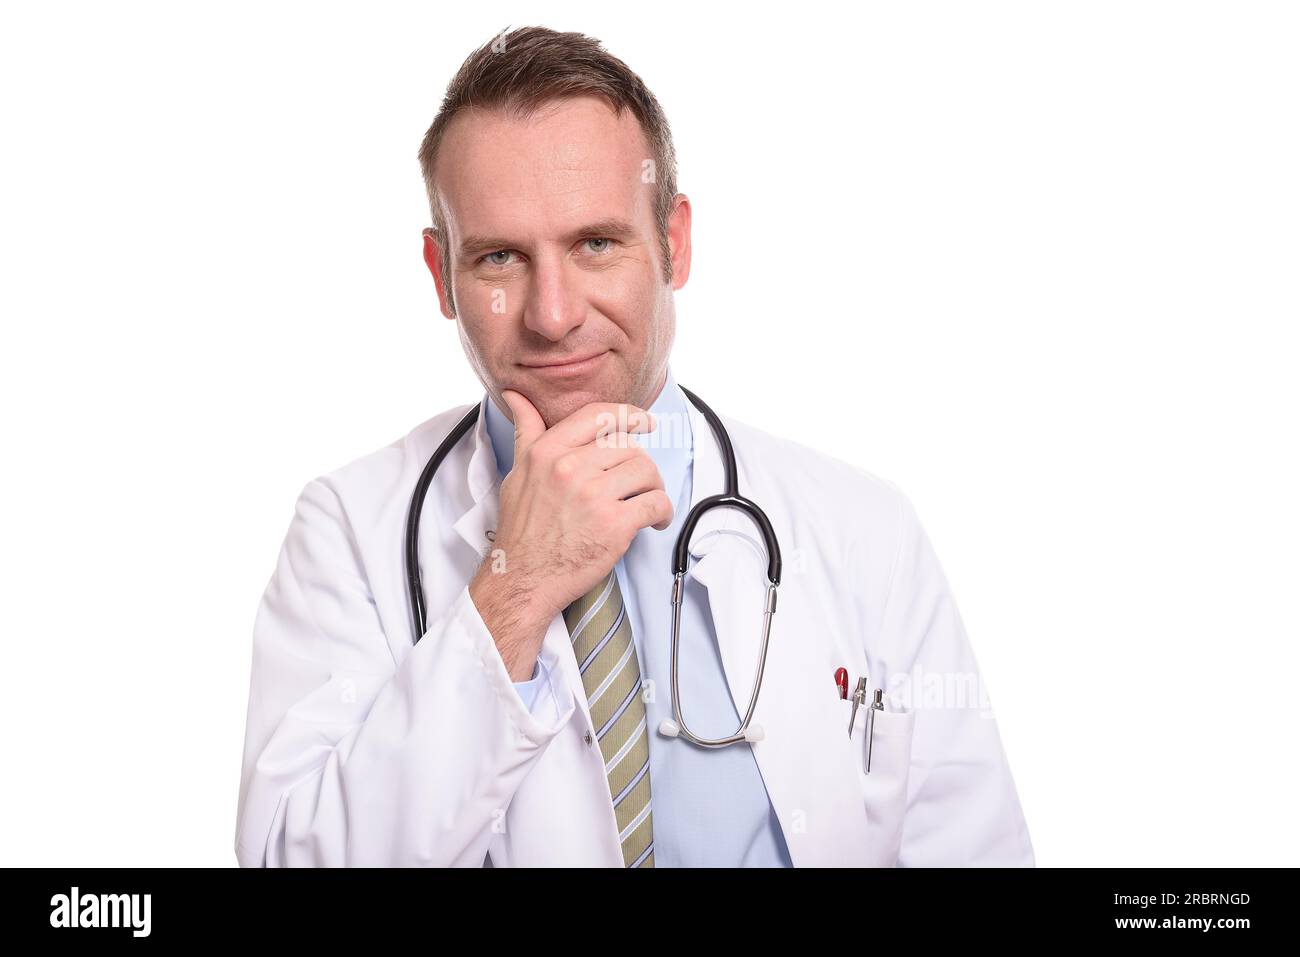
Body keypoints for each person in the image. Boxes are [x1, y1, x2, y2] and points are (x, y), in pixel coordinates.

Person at [234, 25, 1034, 868]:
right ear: (440, 275)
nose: (552, 313)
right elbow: (290, 858)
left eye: (596, 244)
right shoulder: (349, 533)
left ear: (674, 243)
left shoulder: (864, 529)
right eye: (500, 257)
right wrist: (516, 587)